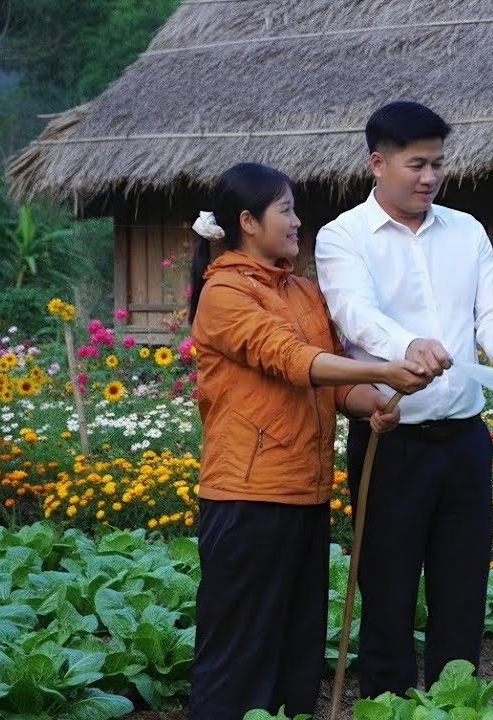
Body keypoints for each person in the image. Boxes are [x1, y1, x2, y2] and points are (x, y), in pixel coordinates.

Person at [315, 101, 493, 698]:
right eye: (416, 164)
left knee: (463, 585)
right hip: (391, 441)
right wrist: (406, 346)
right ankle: (386, 706)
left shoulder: (465, 230)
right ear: (377, 163)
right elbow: (355, 314)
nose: (429, 177)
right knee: (388, 587)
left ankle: (457, 699)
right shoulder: (342, 237)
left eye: (438, 164)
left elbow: (492, 310)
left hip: (464, 442)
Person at [187, 162, 435, 720]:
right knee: (239, 653)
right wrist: (388, 370)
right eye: (286, 210)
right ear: (248, 222)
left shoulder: (301, 290)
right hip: (247, 497)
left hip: (305, 492)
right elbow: (290, 359)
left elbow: (332, 378)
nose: (299, 222)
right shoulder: (223, 293)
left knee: (297, 650)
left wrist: (374, 398)